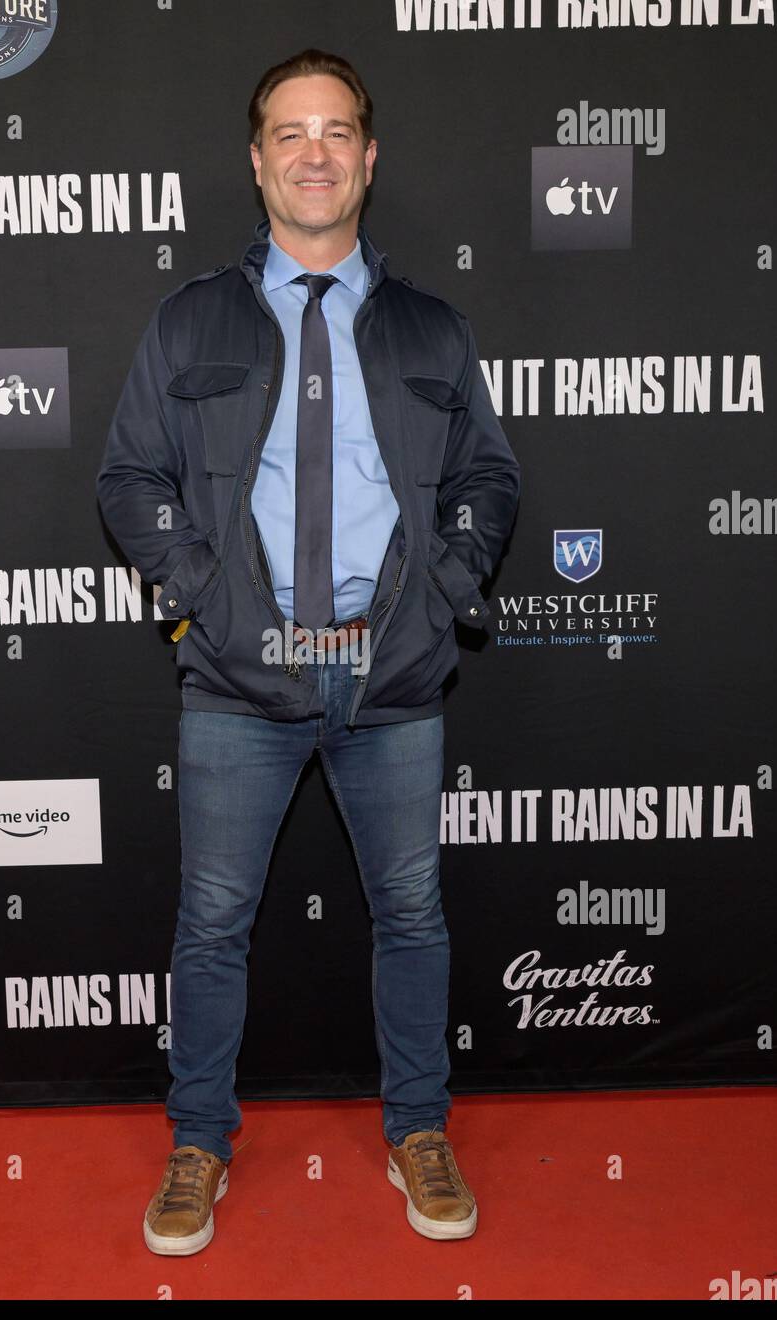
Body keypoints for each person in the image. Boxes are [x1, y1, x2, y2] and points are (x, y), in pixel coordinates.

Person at [96, 48, 520, 1256]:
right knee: (213, 920)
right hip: (238, 673)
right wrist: (194, 593)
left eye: (338, 131)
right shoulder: (193, 318)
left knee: (412, 914)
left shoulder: (433, 327)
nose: (316, 152)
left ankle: (419, 1129)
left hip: (392, 677)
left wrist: (443, 588)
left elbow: (489, 473)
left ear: (370, 157)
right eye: (292, 133)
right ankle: (199, 1143)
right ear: (258, 157)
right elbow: (128, 475)